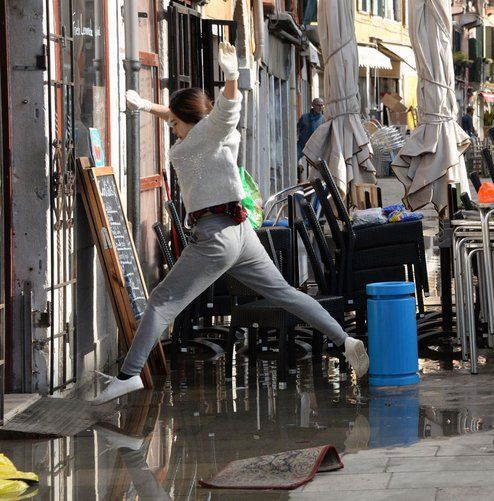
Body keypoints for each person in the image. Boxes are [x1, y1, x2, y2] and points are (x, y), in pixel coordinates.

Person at [92, 43, 369, 405]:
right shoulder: (214, 135)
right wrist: (147, 107)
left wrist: (233, 77)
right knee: (286, 294)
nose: (172, 129)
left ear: (190, 122)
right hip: (242, 233)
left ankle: (128, 376)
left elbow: (226, 110)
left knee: (161, 301)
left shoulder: (206, 134)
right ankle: (344, 340)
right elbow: (198, 117)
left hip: (214, 237)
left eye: (175, 123)